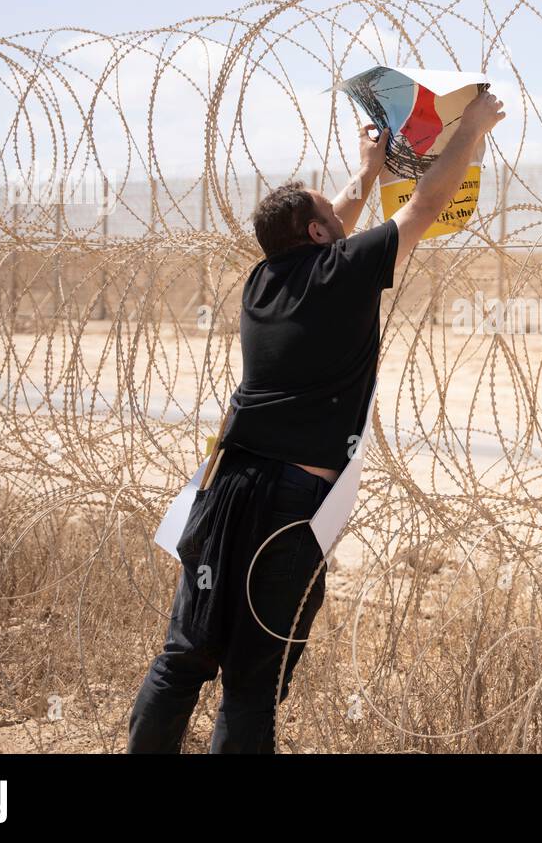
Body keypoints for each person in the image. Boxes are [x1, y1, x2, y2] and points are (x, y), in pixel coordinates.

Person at [126, 88, 506, 753]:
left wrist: (364, 172)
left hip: (221, 488)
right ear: (319, 234)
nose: (345, 214)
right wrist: (470, 132)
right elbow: (424, 207)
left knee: (184, 656)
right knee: (250, 681)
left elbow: (338, 218)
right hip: (285, 502)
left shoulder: (263, 281)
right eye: (334, 213)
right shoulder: (342, 269)